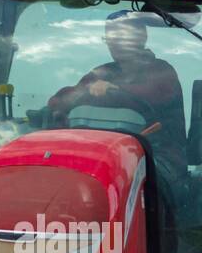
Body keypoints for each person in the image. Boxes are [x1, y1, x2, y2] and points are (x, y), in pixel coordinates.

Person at [46, 11, 187, 180]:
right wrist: (80, 93)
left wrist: (114, 88)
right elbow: (59, 101)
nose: (114, 43)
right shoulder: (102, 72)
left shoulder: (162, 72)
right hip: (106, 158)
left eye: (121, 37)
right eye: (110, 38)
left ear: (141, 37)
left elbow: (153, 93)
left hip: (159, 161)